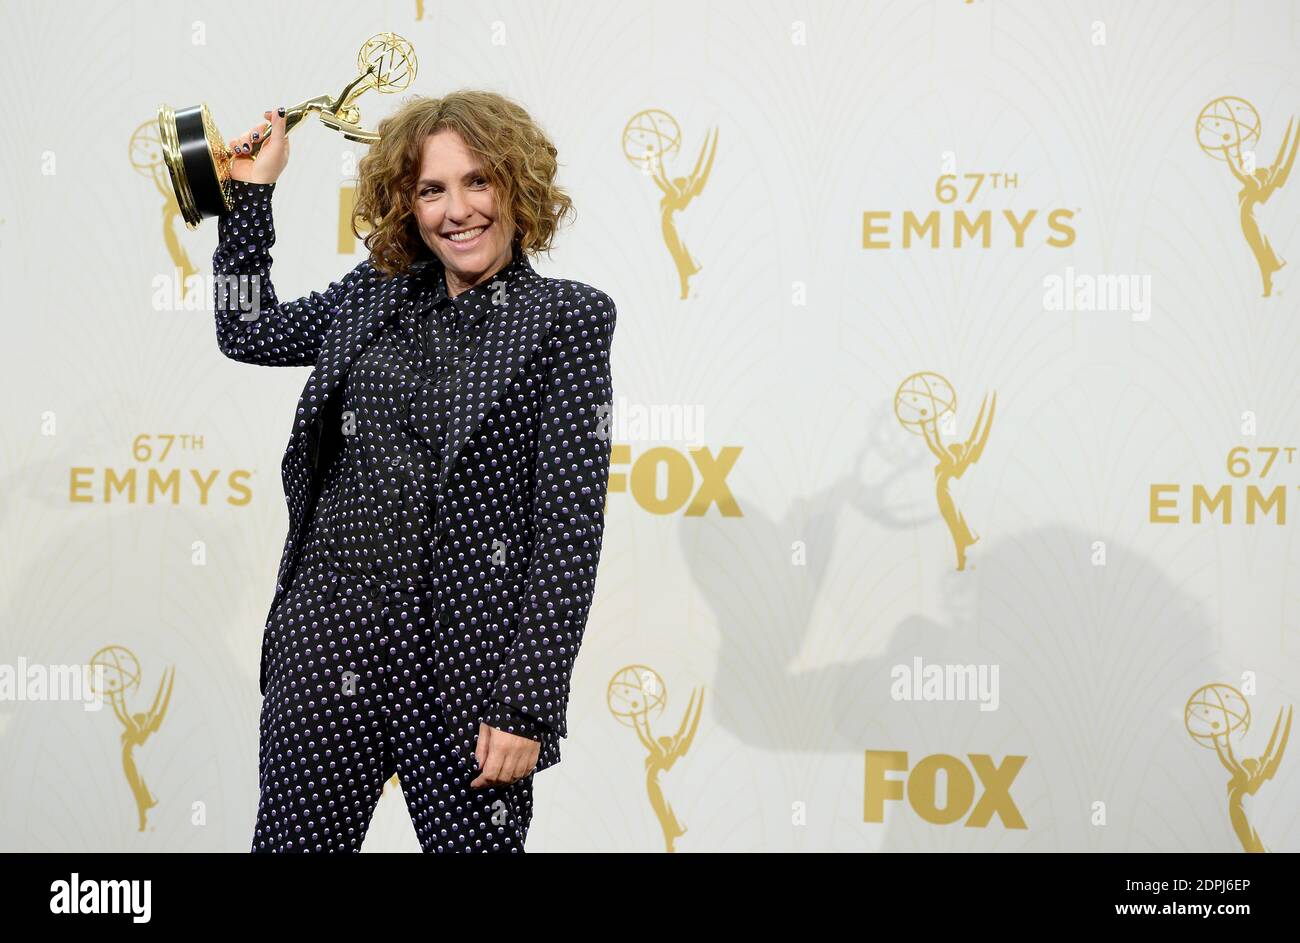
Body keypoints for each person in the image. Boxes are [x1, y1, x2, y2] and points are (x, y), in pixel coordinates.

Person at [213, 91, 617, 852]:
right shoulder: (375, 290)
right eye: (432, 189)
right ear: (407, 202)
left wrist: (527, 704)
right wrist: (251, 197)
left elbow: (567, 530)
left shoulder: (567, 319)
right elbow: (248, 328)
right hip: (328, 635)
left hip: (468, 668)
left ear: (517, 187)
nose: (457, 209)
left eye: (478, 181)